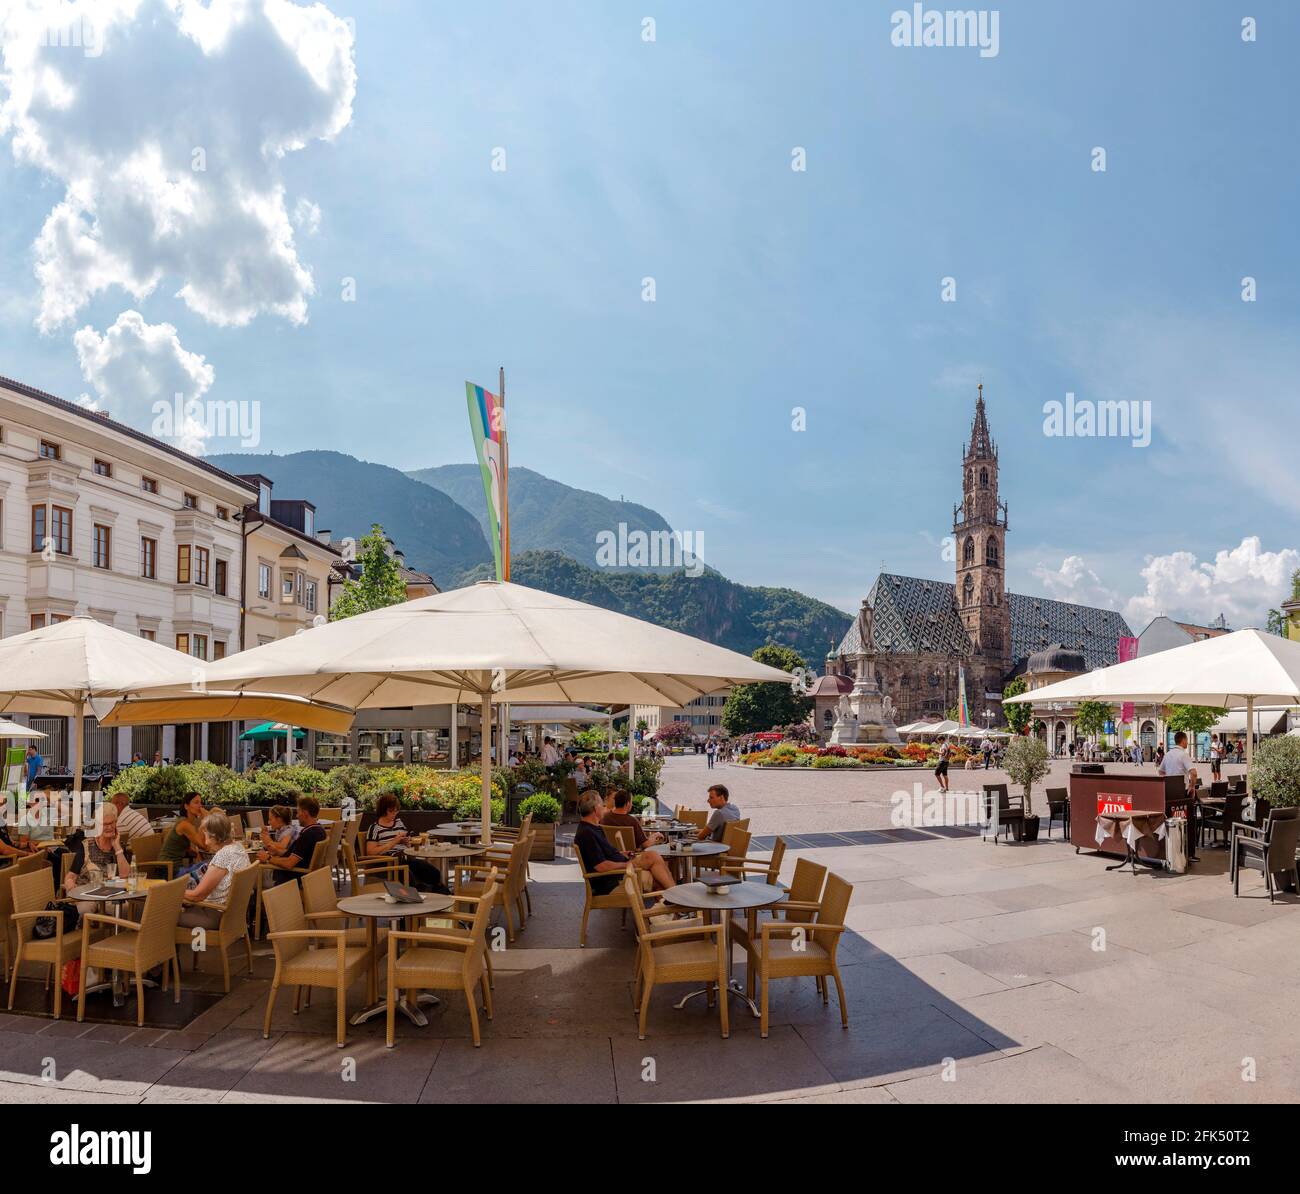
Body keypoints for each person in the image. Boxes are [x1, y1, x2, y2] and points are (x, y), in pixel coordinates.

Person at [573, 791, 675, 894]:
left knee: (657, 867)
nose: (604, 805)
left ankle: (673, 901)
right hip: (613, 881)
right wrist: (626, 864)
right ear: (595, 809)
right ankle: (677, 897)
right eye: (601, 803)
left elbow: (602, 856)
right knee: (653, 858)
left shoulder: (593, 828)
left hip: (617, 873)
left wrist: (621, 854)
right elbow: (601, 866)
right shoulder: (587, 834)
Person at [179, 810, 250, 929]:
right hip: (233, 914)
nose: (205, 842)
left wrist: (173, 893)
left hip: (215, 915)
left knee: (164, 914)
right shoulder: (239, 848)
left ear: (215, 837)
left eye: (206, 835)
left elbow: (197, 896)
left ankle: (163, 947)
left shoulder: (223, 856)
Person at [365, 792, 447, 892]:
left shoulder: (398, 822)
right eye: (391, 811)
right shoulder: (375, 828)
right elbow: (370, 852)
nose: (394, 814)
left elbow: (406, 840)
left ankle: (437, 891)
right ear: (383, 810)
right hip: (388, 862)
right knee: (410, 876)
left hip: (405, 858)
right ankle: (428, 892)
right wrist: (394, 841)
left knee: (432, 872)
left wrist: (406, 841)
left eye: (396, 811)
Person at [66, 805, 132, 915]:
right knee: (85, 909)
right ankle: (85, 931)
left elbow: (126, 877)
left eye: (111, 823)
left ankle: (118, 931)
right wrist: (69, 882)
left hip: (111, 896)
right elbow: (71, 875)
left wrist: (117, 848)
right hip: (87, 896)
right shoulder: (86, 846)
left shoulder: (119, 847)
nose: (109, 827)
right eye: (105, 824)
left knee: (125, 909)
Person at [258, 795, 325, 884]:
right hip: (305, 876)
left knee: (254, 872)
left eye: (298, 812)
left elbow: (289, 863)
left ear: (305, 813)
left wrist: (268, 858)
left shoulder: (308, 835)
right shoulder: (320, 831)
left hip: (290, 879)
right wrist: (277, 851)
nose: (297, 816)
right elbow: (295, 854)